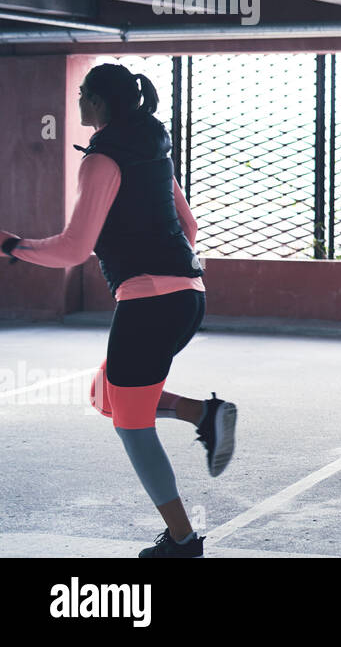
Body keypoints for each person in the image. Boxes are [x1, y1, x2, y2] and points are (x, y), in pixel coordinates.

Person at [1, 63, 236, 559]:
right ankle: (203, 413)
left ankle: (182, 541)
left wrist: (13, 246)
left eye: (84, 93)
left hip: (149, 302)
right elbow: (188, 229)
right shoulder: (154, 152)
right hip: (188, 295)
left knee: (130, 424)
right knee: (104, 392)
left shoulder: (103, 159)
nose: (79, 100)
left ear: (102, 102)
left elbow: (72, 249)